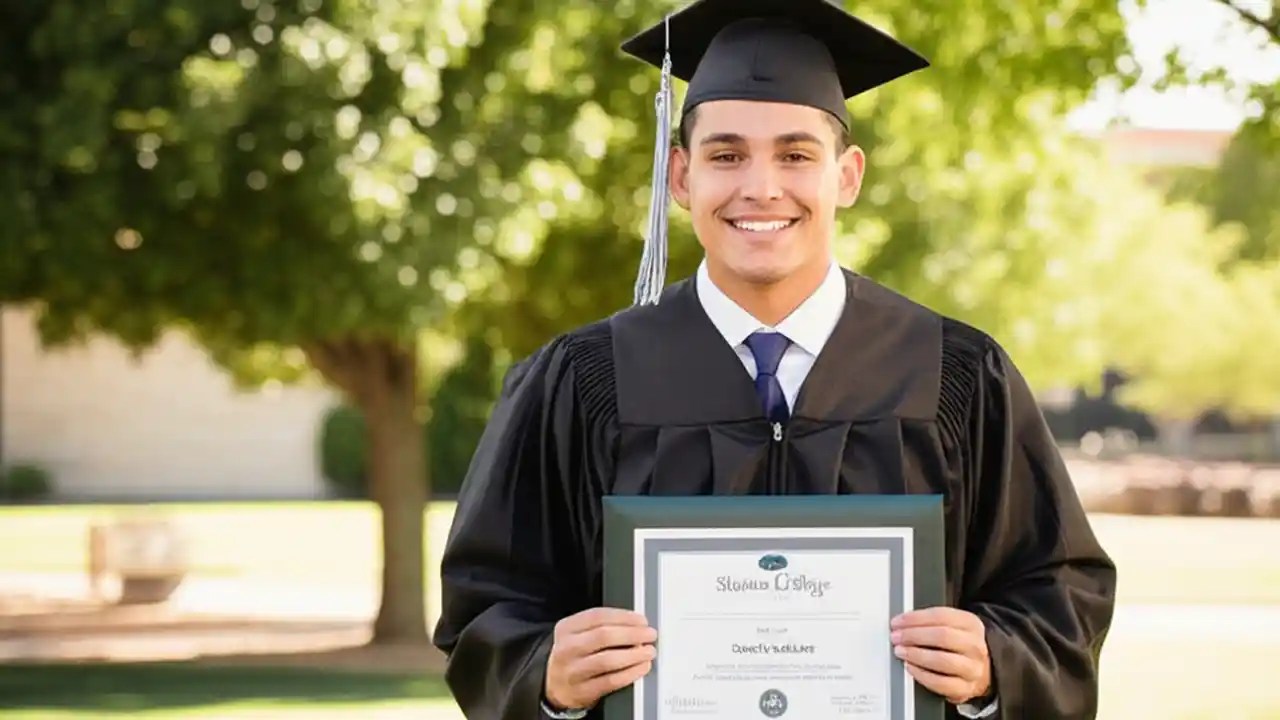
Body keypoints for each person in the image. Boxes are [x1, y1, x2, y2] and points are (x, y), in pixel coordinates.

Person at [432, 0, 1117, 718]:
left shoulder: (955, 376)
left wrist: (994, 664)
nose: (761, 188)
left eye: (795, 155)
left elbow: (1060, 592)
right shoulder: (583, 380)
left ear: (847, 176)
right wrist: (545, 675)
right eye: (726, 155)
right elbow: (486, 606)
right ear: (680, 176)